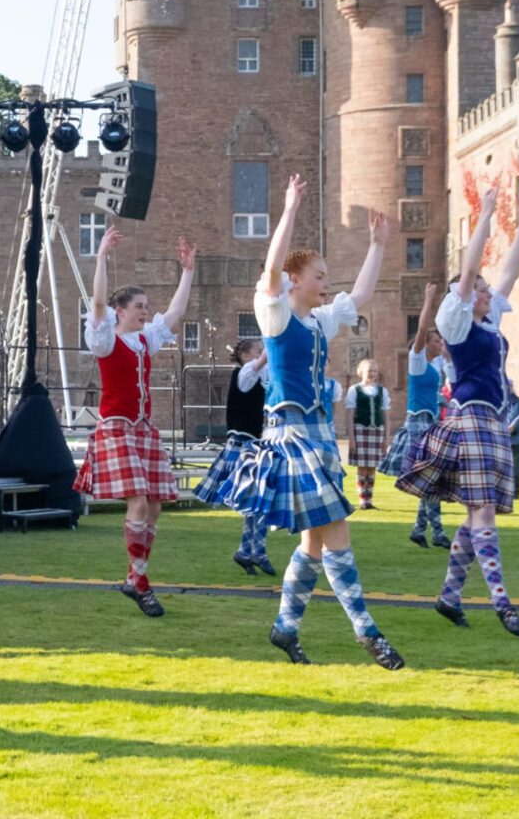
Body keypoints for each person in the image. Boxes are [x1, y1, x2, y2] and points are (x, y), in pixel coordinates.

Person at [211, 175, 401, 668]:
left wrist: (377, 247)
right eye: (320, 274)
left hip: (316, 435)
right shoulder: (274, 314)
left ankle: (285, 628)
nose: (326, 282)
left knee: (314, 544)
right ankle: (368, 632)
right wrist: (291, 206)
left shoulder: (318, 321)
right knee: (336, 531)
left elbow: (358, 298)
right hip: (290, 433)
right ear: (297, 280)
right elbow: (272, 266)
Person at [397, 187, 519, 637]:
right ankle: (503, 604)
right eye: (480, 288)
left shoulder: (488, 322)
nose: (487, 291)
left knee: (479, 511)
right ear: (466, 293)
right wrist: (487, 215)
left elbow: (509, 273)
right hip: (470, 419)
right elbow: (471, 267)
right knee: (485, 513)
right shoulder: (455, 322)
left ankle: (449, 597)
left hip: (492, 422)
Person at [75, 228, 196, 616]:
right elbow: (96, 302)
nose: (146, 311)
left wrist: (188, 272)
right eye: (139, 306)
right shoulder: (105, 339)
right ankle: (140, 582)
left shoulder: (145, 341)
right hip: (116, 428)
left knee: (156, 506)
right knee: (140, 502)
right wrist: (100, 257)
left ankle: (135, 576)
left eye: (146, 305)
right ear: (121, 311)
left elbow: (175, 314)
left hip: (142, 429)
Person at [195, 339, 275, 575]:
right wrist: (274, 337)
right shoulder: (244, 374)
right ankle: (254, 552)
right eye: (258, 350)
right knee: (258, 502)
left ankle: (249, 551)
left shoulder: (260, 376)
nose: (262, 353)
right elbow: (263, 361)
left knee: (258, 503)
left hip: (255, 445)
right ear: (245, 356)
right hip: (242, 447)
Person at [380, 289, 451, 549]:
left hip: (430, 425)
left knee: (431, 480)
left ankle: (420, 529)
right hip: (418, 426)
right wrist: (429, 302)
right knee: (431, 479)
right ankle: (437, 532)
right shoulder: (417, 361)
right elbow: (421, 331)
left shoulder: (435, 367)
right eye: (436, 341)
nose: (439, 344)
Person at [343, 361, 390, 510]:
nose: (372, 374)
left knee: (372, 467)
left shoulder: (382, 391)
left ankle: (369, 500)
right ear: (360, 372)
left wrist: (386, 438)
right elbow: (349, 415)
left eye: (375, 371)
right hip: (360, 431)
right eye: (369, 371)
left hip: (377, 431)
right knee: (361, 468)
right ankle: (363, 500)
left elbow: (386, 416)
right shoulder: (354, 390)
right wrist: (351, 439)